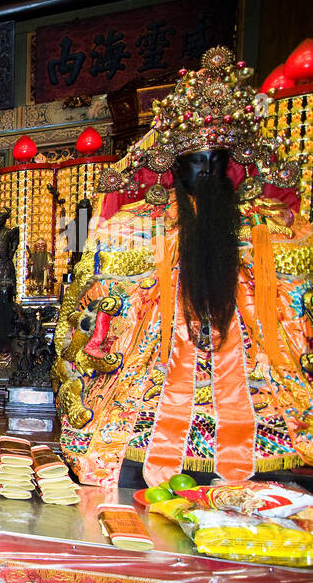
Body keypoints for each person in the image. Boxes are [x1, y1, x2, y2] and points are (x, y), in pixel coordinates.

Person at [57, 47, 312, 486]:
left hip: (256, 369)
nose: (208, 169)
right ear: (172, 165)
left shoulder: (268, 223)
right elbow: (101, 299)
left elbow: (296, 297)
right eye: (196, 159)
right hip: (156, 369)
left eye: (218, 159)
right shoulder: (137, 225)